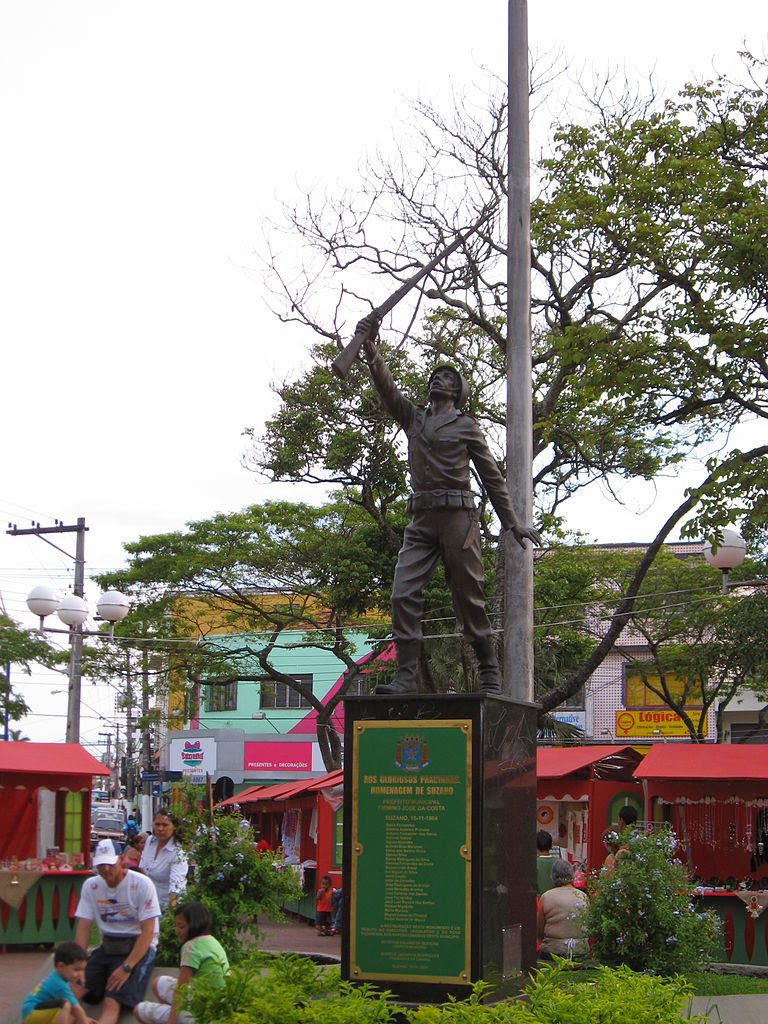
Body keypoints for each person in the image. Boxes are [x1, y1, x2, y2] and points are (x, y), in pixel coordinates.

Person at [357, 314, 542, 695]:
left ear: (459, 391)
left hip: (458, 518)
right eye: (436, 375)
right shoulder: (414, 419)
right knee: (402, 594)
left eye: (449, 377)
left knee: (469, 595)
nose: (439, 379)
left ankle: (489, 670)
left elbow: (491, 476)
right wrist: (372, 349)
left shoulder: (467, 426)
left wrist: (512, 523)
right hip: (421, 519)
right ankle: (406, 676)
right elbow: (388, 390)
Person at [74, 839, 161, 1024]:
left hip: (139, 944)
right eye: (100, 865)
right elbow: (83, 926)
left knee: (111, 1001)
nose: (105, 869)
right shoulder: (91, 886)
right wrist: (79, 965)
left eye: (109, 863)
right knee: (73, 990)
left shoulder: (142, 884)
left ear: (122, 859)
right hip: (108, 945)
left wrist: (127, 967)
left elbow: (148, 931)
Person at [133, 902, 229, 1024]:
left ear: (194, 925)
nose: (177, 931)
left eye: (181, 927)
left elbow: (180, 991)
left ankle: (175, 1018)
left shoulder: (190, 947)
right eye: (176, 926)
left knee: (139, 1010)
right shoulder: (212, 941)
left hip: (201, 1015)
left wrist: (171, 1022)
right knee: (158, 983)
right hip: (215, 1006)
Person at [22, 941, 95, 1024]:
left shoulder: (59, 978)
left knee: (64, 1005)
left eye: (82, 970)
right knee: (65, 1005)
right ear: (60, 966)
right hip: (32, 1012)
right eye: (76, 970)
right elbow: (75, 1008)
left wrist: (84, 1018)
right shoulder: (59, 985)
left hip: (34, 1011)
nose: (80, 974)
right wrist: (84, 1021)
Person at [536, 859, 588, 961]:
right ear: (571, 875)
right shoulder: (583, 896)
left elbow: (539, 930)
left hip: (553, 950)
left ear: (553, 876)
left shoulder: (546, 897)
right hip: (580, 950)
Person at [139, 810, 188, 911]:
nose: (160, 829)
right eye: (157, 824)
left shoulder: (178, 852)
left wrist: (170, 914)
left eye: (165, 825)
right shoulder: (150, 841)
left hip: (165, 907)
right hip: (146, 902)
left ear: (174, 826)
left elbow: (176, 885)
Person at [535, 830, 561, 896]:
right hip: (556, 900)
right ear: (551, 845)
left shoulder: (533, 864)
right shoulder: (559, 863)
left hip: (539, 902)